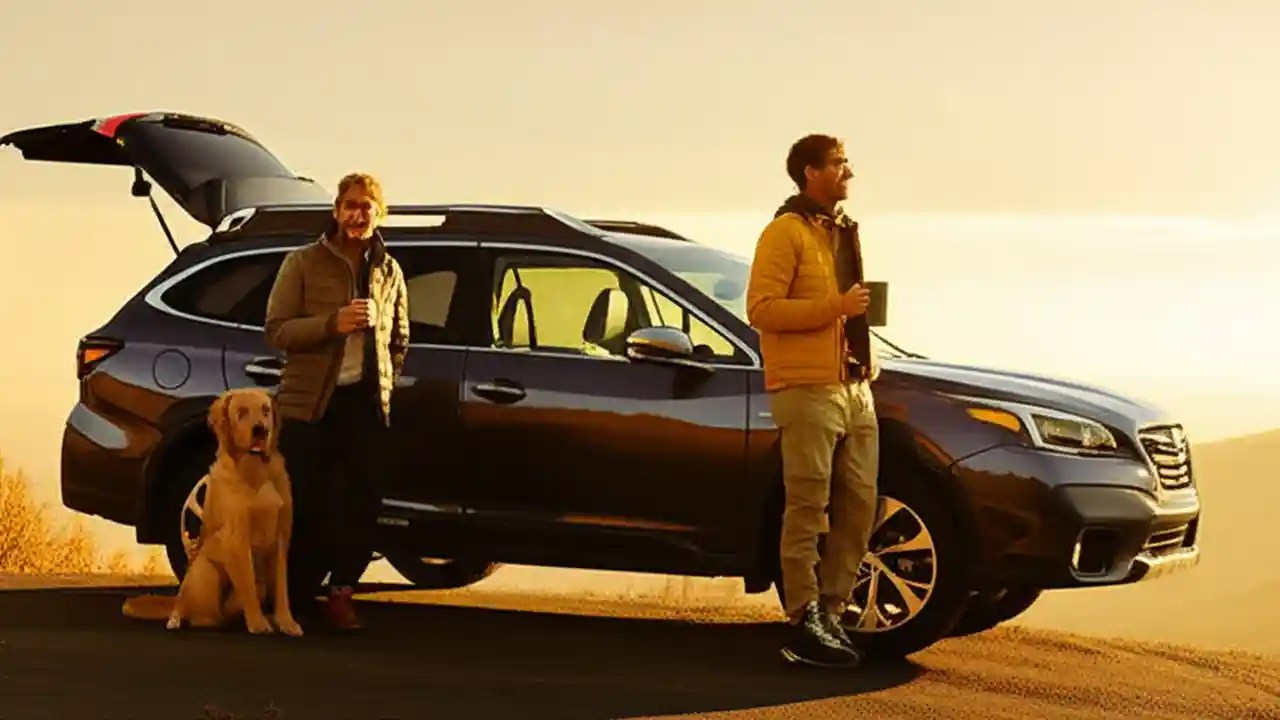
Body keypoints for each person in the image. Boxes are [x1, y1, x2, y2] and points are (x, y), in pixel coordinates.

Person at [746, 134, 881, 668]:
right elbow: (762, 308)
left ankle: (832, 610)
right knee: (808, 506)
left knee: (860, 504)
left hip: (854, 386)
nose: (849, 172)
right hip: (806, 389)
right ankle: (803, 618)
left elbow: (852, 308)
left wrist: (866, 348)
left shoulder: (843, 232)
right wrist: (836, 307)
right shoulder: (784, 232)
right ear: (810, 173)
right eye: (839, 163)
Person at [263, 171, 410, 630]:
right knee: (304, 503)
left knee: (363, 504)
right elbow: (277, 329)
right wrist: (333, 323)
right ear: (336, 211)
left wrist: (383, 381)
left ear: (378, 213)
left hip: (363, 404)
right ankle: (294, 597)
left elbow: (400, 337)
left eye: (366, 206)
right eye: (350, 205)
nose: (357, 214)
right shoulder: (303, 263)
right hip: (308, 406)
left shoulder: (388, 270)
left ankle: (342, 592)